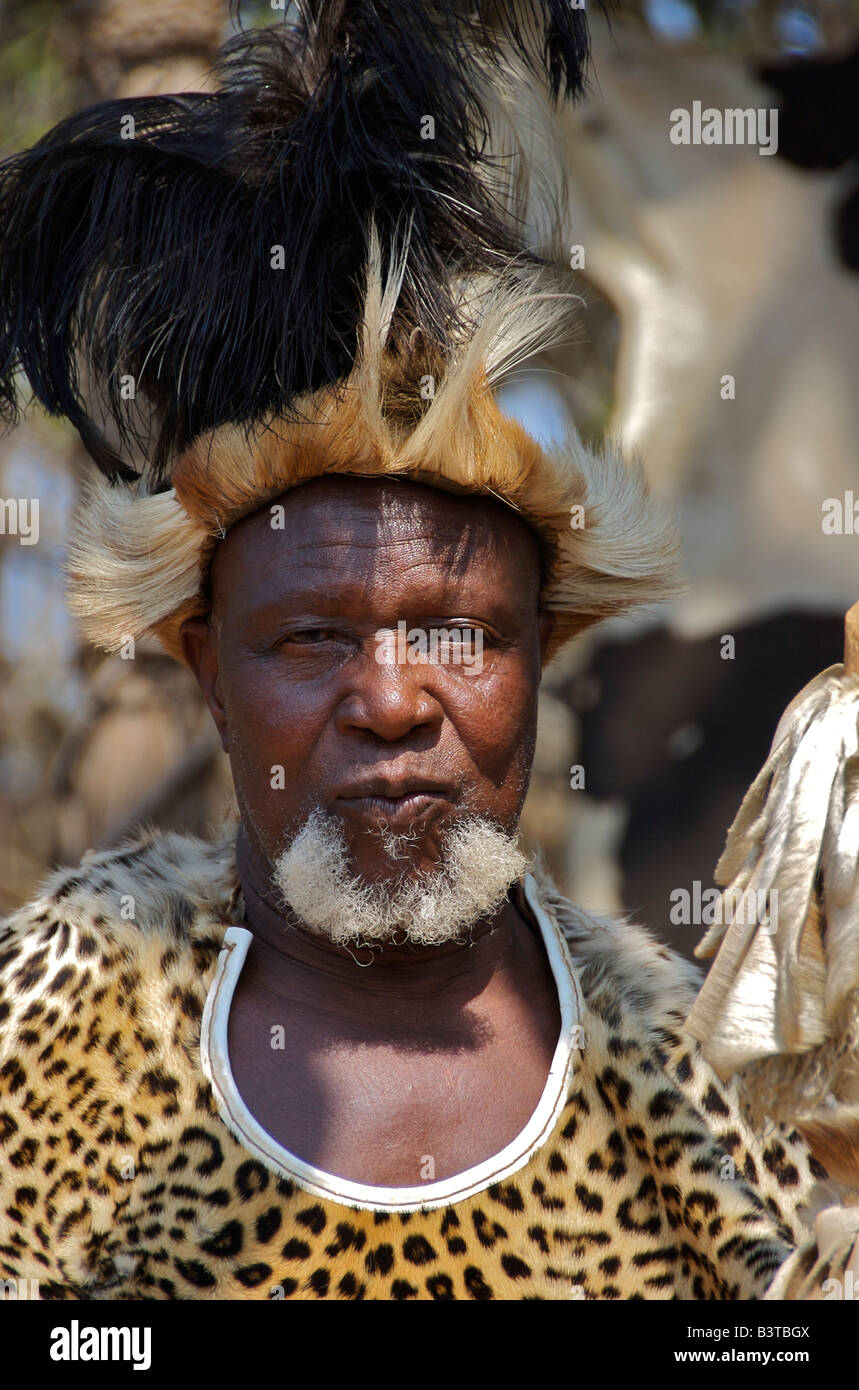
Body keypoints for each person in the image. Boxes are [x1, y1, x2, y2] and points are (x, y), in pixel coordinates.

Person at [0, 1, 855, 1301]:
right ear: (208, 673)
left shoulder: (712, 1096)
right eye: (311, 637)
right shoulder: (46, 1043)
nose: (393, 700)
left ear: (542, 655)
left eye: (458, 629)